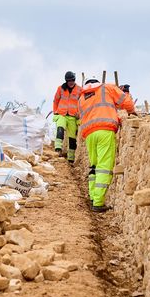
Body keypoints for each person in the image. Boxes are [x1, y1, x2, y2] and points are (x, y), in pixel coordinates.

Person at [79, 77, 135, 212]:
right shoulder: (107, 88)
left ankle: (93, 196)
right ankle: (98, 203)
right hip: (105, 130)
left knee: (94, 166)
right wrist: (126, 96)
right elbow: (126, 103)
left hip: (89, 134)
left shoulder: (82, 98)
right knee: (104, 166)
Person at [52, 71, 82, 162]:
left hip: (73, 116)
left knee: (72, 137)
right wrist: (55, 111)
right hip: (62, 114)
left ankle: (71, 158)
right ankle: (58, 148)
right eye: (69, 81)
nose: (71, 82)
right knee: (60, 128)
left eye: (72, 80)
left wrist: (79, 113)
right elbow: (55, 100)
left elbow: (82, 103)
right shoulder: (60, 89)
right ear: (66, 81)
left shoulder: (79, 90)